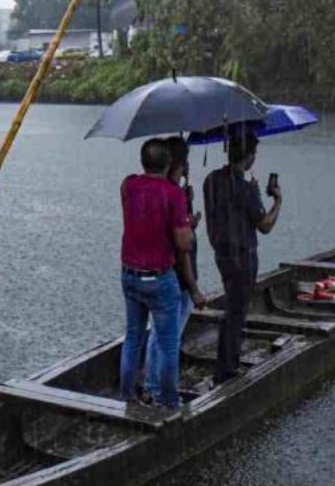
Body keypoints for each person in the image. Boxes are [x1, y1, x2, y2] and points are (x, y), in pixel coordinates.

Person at [119, 138, 205, 410]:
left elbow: (146, 217)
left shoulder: (128, 184)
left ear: (143, 161)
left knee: (133, 337)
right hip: (159, 278)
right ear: (169, 163)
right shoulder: (172, 193)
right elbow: (183, 243)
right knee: (168, 345)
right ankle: (167, 401)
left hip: (129, 275)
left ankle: (128, 396)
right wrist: (188, 225)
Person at [202, 133, 282, 384]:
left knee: (232, 307)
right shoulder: (245, 189)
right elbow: (265, 226)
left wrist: (252, 193)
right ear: (248, 157)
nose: (254, 158)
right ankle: (227, 371)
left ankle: (226, 364)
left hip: (221, 254)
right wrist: (277, 200)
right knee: (236, 312)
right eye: (254, 154)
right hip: (243, 256)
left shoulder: (211, 180)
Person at [142, 136, 202, 403]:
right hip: (175, 278)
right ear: (177, 164)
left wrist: (187, 218)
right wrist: (194, 287)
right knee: (169, 339)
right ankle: (161, 393)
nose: (188, 168)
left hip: (158, 274)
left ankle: (151, 385)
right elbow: (181, 247)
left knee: (159, 334)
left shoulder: (158, 192)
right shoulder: (171, 194)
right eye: (185, 163)